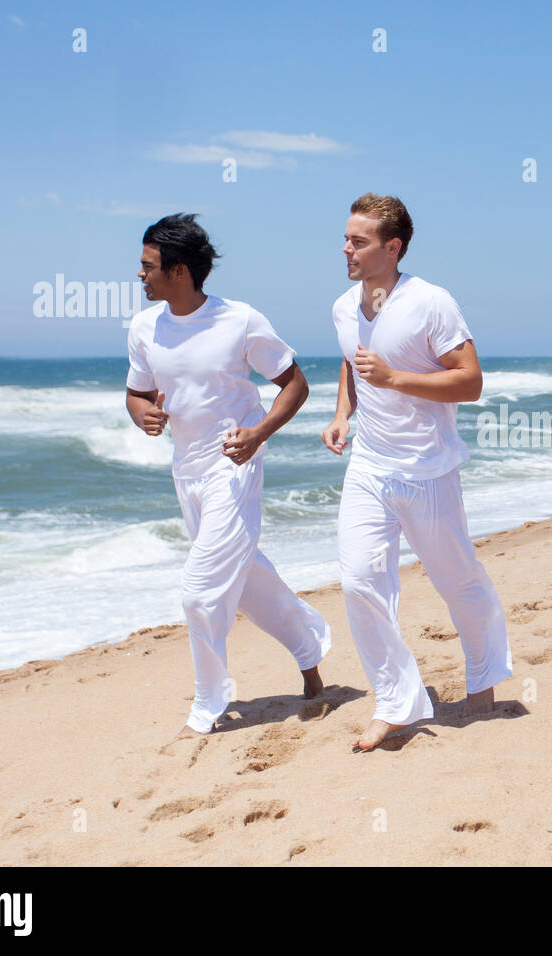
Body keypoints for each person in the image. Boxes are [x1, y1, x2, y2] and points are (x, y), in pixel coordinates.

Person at [125, 213, 332, 741]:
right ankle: (310, 652)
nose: (139, 275)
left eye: (147, 266)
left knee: (199, 590)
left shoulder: (239, 321)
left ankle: (208, 701)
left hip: (233, 466)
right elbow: (138, 391)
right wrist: (141, 413)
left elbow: (295, 384)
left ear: (178, 270)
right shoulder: (144, 327)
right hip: (186, 471)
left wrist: (258, 433)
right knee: (244, 581)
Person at [322, 193, 512, 752]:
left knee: (457, 581)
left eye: (358, 241)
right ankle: (396, 702)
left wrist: (395, 378)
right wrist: (342, 413)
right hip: (369, 467)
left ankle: (484, 679)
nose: (346, 248)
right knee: (359, 580)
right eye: (347, 238)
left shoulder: (431, 303)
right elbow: (352, 357)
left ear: (393, 247)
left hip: (428, 470)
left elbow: (470, 380)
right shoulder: (342, 306)